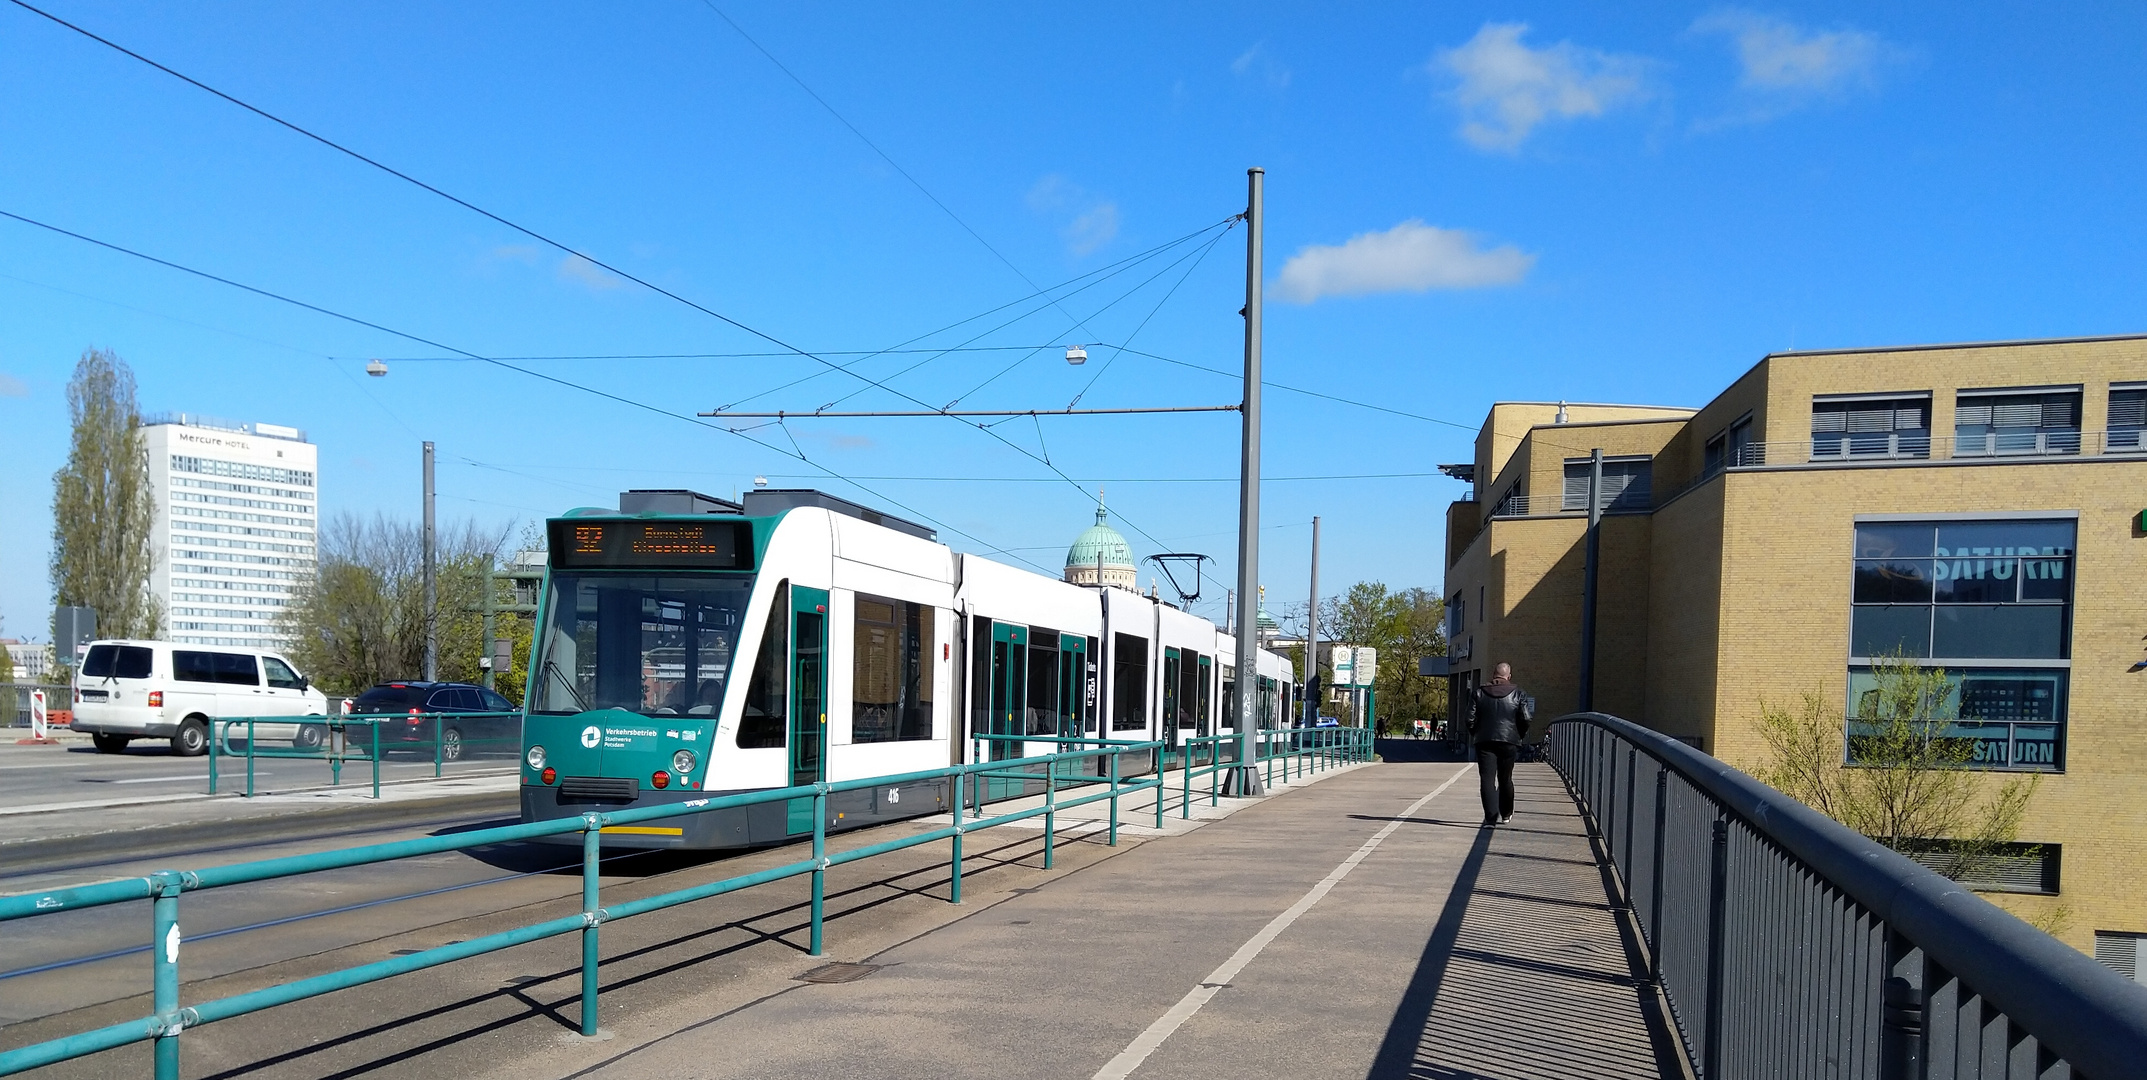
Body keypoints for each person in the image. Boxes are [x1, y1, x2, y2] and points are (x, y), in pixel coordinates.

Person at [1466, 662, 1533, 826]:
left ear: (1493, 675)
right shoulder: (1518, 694)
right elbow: (1526, 718)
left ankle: (1490, 817)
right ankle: (1506, 814)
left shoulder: (1479, 693)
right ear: (1508, 677)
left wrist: (1477, 734)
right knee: (1506, 778)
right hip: (1509, 741)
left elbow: (1469, 719)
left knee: (1487, 779)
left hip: (1485, 741)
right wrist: (1518, 735)